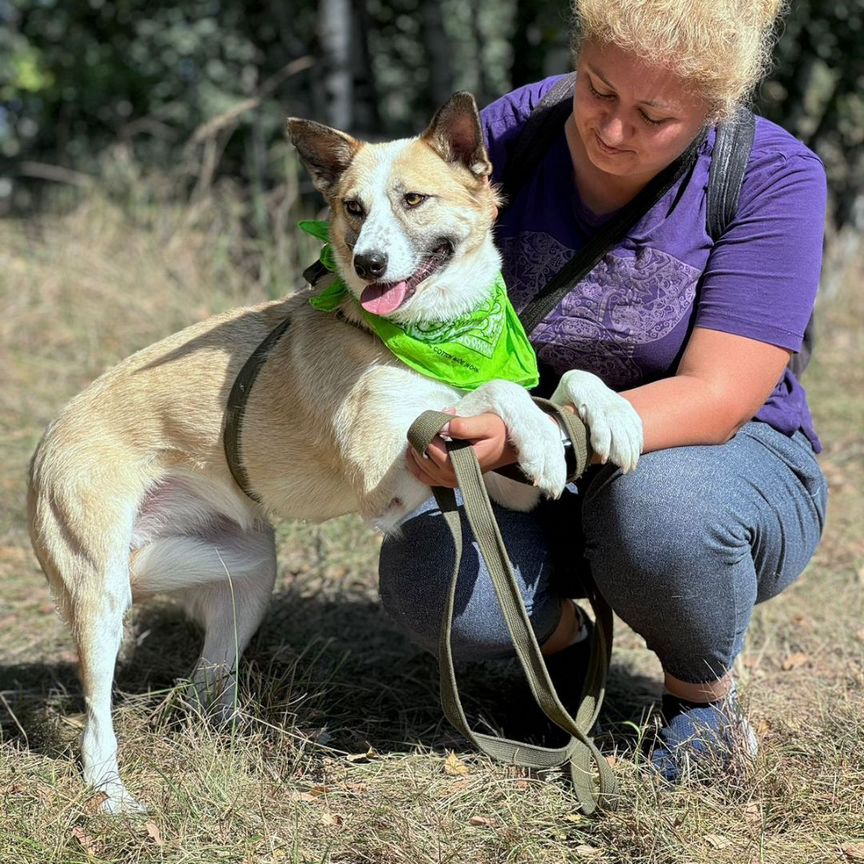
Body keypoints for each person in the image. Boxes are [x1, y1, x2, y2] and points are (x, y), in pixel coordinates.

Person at [378, 0, 828, 783]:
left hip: (716, 464)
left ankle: (702, 699)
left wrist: (533, 431)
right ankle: (565, 648)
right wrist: (439, 427)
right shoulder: (519, 129)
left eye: (655, 116)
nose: (614, 130)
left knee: (658, 509)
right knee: (428, 580)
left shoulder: (773, 177)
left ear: (715, 111)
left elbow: (718, 397)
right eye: (599, 90)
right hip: (527, 463)